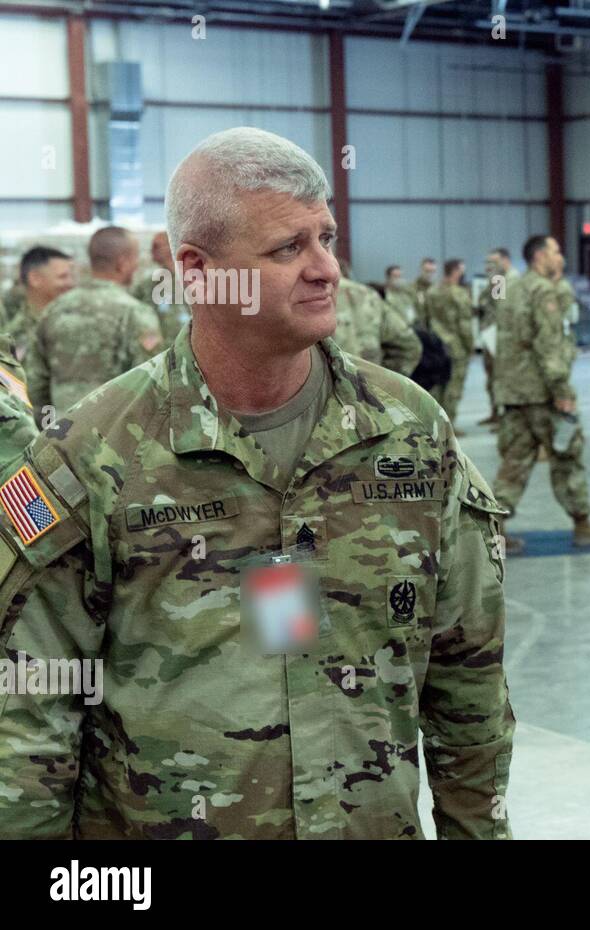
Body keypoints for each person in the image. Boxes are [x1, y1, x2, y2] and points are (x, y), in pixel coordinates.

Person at [0, 126, 514, 840]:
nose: (326, 269)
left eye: (327, 237)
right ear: (198, 270)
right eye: (288, 248)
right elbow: (29, 713)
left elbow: (469, 677)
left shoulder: (408, 430)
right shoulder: (94, 453)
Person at [493, 234, 590, 553]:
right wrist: (561, 389)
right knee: (568, 455)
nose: (559, 257)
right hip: (542, 390)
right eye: (555, 251)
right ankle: (582, 523)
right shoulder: (542, 290)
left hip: (514, 390)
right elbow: (549, 343)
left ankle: (494, 529)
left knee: (515, 461)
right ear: (539, 257)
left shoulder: (513, 286)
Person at [25, 226, 162, 416]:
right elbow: (151, 386)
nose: (137, 265)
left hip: (60, 433)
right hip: (114, 436)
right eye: (135, 258)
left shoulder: (53, 311)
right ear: (122, 263)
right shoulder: (136, 313)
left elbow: (35, 385)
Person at [333, 262, 422, 377]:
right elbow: (410, 345)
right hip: (366, 388)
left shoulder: (406, 295)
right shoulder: (367, 295)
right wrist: (381, 384)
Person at [422, 258, 475, 429]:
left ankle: (434, 423)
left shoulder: (431, 291)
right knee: (454, 387)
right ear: (456, 271)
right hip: (456, 346)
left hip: (436, 345)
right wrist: (470, 345)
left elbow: (425, 318)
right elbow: (465, 325)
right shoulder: (459, 293)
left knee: (438, 385)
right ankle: (449, 427)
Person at [1, 246, 75, 361]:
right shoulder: (15, 337)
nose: (70, 283)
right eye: (63, 277)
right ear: (35, 278)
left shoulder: (74, 321)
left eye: (71, 276)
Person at [477, 248, 518, 427]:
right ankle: (496, 413)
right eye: (487, 262)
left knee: (504, 377)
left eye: (493, 262)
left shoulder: (510, 279)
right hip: (491, 335)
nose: (489, 266)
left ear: (505, 260)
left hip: (503, 337)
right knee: (492, 376)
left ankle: (506, 418)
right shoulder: (496, 279)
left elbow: (501, 308)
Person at [130, 230, 188, 343]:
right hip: (160, 348)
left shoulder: (191, 279)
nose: (152, 250)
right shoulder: (148, 284)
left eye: (156, 246)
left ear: (172, 246)